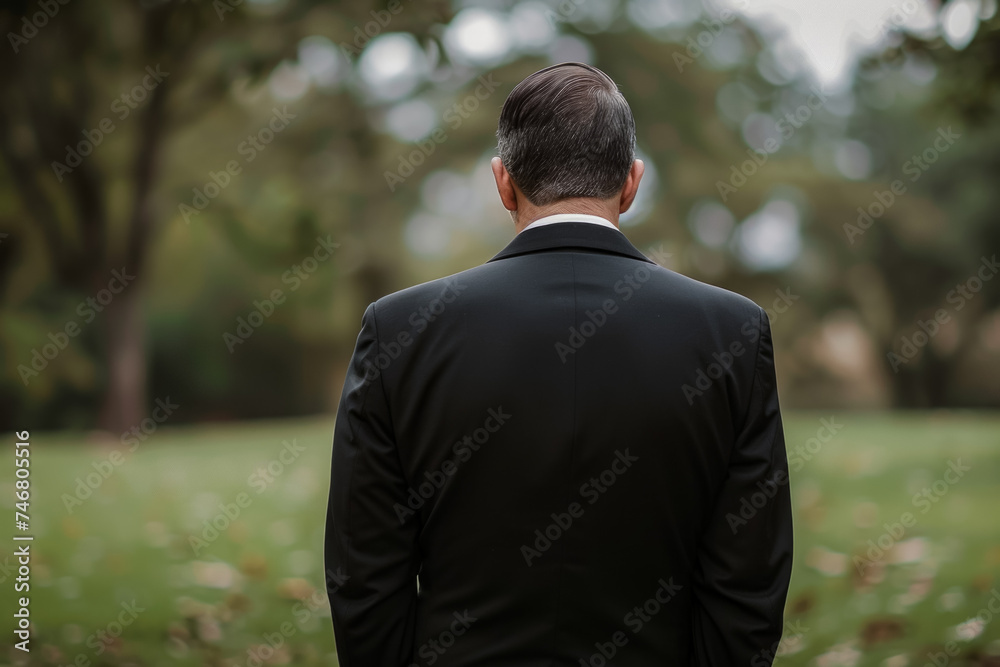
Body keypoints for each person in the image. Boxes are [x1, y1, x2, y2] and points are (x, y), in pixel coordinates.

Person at [325, 62, 793, 667]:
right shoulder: (730, 332)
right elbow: (749, 585)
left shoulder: (399, 332)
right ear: (631, 182)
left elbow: (365, 579)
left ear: (503, 183)